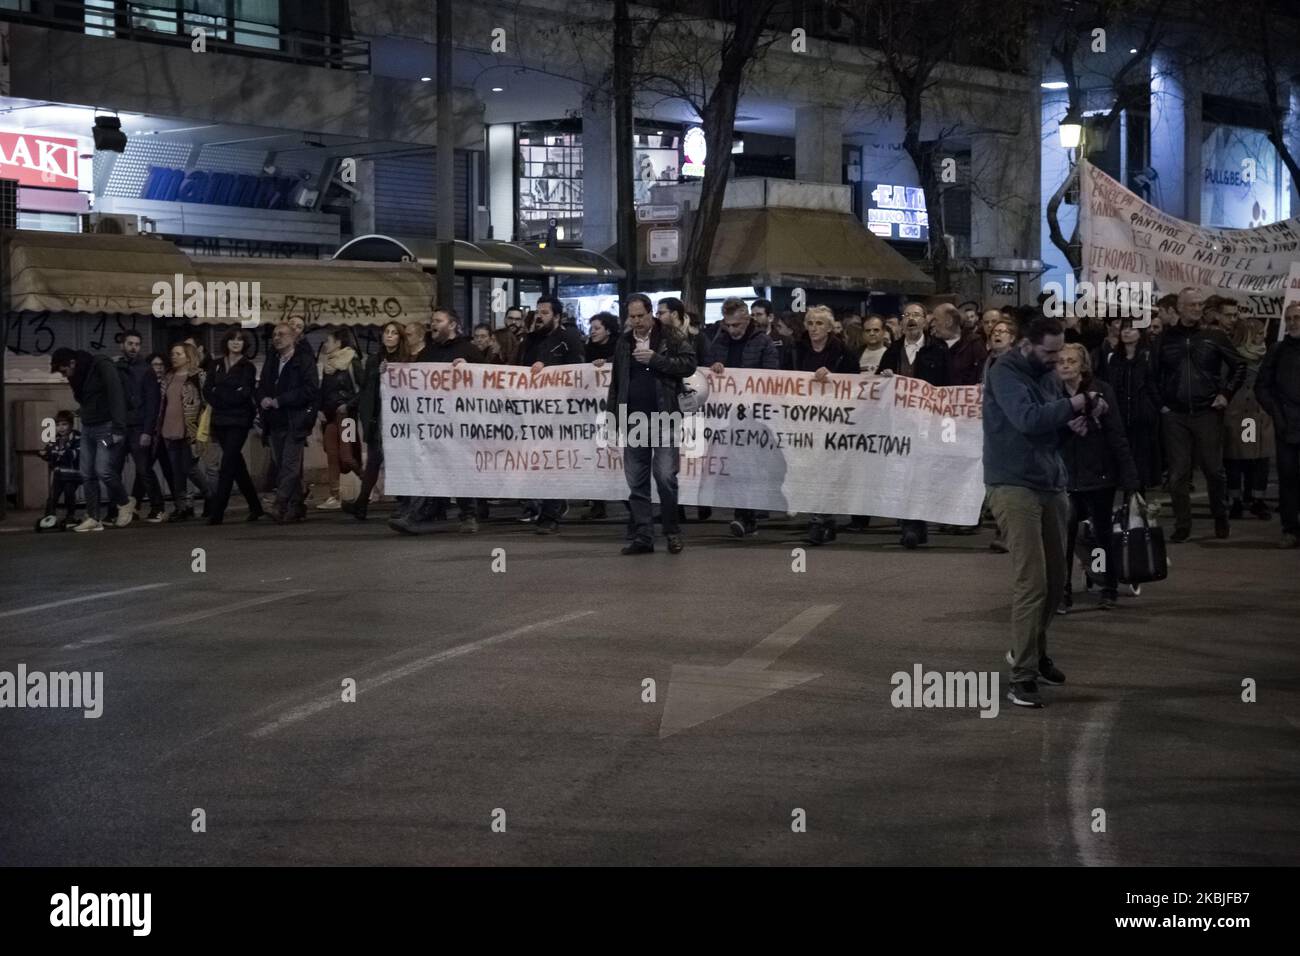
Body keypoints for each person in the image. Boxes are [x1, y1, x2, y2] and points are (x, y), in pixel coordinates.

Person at [983, 316, 1105, 708]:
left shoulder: (1047, 373)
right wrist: (1074, 403)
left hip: (1050, 482)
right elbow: (1027, 419)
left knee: (1056, 583)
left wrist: (1075, 424)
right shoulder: (1005, 372)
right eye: (1049, 352)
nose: (1056, 360)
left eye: (1060, 352)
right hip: (1013, 485)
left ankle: (1033, 653)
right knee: (1032, 583)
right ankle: (1021, 677)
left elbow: (1049, 427)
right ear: (1026, 344)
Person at [604, 293, 697, 554]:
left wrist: (656, 359)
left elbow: (689, 365)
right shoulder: (623, 342)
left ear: (650, 313)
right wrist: (612, 419)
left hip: (664, 417)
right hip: (633, 420)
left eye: (640, 316)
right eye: (631, 317)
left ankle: (672, 531)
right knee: (636, 480)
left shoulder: (671, 336)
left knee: (666, 477)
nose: (636, 321)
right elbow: (616, 383)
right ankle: (644, 535)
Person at [1156, 287, 1246, 542]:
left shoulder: (1213, 336)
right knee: (1178, 473)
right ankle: (1183, 523)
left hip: (1207, 411)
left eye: (1200, 305)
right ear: (1179, 308)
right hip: (1175, 414)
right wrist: (1162, 404)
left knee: (1214, 470)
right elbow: (1152, 374)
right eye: (1192, 305)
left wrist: (1225, 394)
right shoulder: (1164, 339)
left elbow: (1239, 365)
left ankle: (1221, 515)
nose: (1197, 309)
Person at [1056, 343, 1140, 611]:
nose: (1066, 365)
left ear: (1082, 365)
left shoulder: (1102, 391)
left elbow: (1117, 435)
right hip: (1066, 475)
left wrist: (1130, 479)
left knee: (1102, 534)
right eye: (1061, 361)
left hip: (1099, 473)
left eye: (1071, 361)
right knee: (1064, 534)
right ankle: (1063, 589)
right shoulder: (1052, 394)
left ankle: (1108, 585)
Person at [389, 307, 485, 535]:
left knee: (460, 469)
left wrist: (470, 370)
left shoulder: (468, 350)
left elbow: (487, 382)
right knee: (429, 468)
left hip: (461, 424)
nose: (433, 324)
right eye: (432, 320)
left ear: (452, 325)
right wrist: (389, 374)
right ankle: (413, 516)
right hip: (433, 425)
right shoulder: (428, 353)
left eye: (438, 321)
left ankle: (469, 515)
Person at [706, 297, 780, 537]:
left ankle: (748, 514)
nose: (732, 330)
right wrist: (714, 367)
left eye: (736, 325)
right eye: (728, 325)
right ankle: (744, 515)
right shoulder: (720, 340)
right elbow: (707, 369)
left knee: (750, 465)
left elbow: (771, 377)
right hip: (728, 416)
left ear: (747, 319)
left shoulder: (763, 342)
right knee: (736, 465)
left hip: (754, 416)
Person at [879, 301, 950, 548]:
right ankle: (908, 524)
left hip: (927, 422)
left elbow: (947, 386)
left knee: (921, 474)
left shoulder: (938, 350)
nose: (911, 319)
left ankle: (918, 523)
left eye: (916, 315)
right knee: (902, 473)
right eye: (907, 315)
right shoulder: (892, 351)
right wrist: (885, 378)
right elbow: (878, 385)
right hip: (899, 423)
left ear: (925, 321)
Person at [791, 305, 858, 545]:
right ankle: (822, 520)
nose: (814, 328)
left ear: (830, 328)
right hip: (804, 419)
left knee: (827, 471)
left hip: (834, 422)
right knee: (809, 469)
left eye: (819, 323)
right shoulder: (797, 349)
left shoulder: (844, 352)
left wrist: (833, 378)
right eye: (810, 323)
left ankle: (822, 520)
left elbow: (855, 384)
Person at [520, 295, 586, 534]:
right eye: (538, 312)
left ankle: (551, 514)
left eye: (545, 313)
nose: (539, 316)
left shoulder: (569, 338)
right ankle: (547, 506)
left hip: (561, 414)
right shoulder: (532, 340)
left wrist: (548, 371)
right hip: (535, 413)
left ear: (557, 316)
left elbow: (577, 372)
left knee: (553, 462)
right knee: (539, 462)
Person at [50, 347, 134, 532]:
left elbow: (116, 394)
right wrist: (82, 412)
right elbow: (89, 399)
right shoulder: (77, 376)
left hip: (107, 430)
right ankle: (93, 517)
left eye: (64, 371)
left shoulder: (101, 365)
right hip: (88, 427)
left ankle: (125, 503)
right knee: (86, 473)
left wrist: (119, 428)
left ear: (72, 363)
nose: (65, 376)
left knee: (103, 470)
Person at [257, 323, 320, 524]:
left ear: (293, 337)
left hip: (296, 420)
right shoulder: (272, 360)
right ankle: (297, 505)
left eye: (282, 334)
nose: (277, 338)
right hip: (275, 421)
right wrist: (263, 398)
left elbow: (310, 389)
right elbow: (263, 385)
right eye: (275, 334)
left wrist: (281, 400)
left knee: (289, 465)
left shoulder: (303, 361)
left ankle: (280, 504)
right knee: (282, 463)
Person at [350, 320, 412, 520]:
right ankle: (362, 502)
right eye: (387, 332)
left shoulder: (407, 360)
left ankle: (404, 503)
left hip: (401, 420)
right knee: (374, 461)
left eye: (394, 332)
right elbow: (368, 388)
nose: (389, 336)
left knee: (398, 462)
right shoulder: (374, 360)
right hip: (379, 418)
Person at [203, 328, 264, 525]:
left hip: (239, 420)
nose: (236, 343)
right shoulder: (217, 364)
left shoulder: (248, 366)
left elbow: (244, 393)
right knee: (237, 465)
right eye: (232, 340)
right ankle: (255, 506)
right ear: (226, 343)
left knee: (228, 463)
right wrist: (225, 395)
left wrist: (221, 394)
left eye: (240, 340)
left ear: (244, 344)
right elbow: (207, 390)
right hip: (220, 420)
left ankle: (217, 511)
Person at [1096, 320, 1163, 491]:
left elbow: (1154, 384)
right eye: (1124, 329)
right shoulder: (1113, 358)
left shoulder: (1149, 356)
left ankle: (1137, 502)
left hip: (1142, 416)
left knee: (1140, 462)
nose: (1126, 332)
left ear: (1140, 333)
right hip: (1119, 414)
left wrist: (1158, 407)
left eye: (1131, 329)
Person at [1256, 302, 1300, 548]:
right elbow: (1262, 386)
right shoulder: (1278, 350)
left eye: (1298, 318)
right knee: (1288, 478)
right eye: (1290, 318)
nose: (1293, 322)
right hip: (1287, 426)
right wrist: (1276, 412)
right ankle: (1290, 529)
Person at [1223, 317, 1274, 521]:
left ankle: (1254, 498)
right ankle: (1241, 499)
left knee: (1259, 457)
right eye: (1260, 333)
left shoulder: (1267, 355)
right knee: (1243, 457)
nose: (1264, 336)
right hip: (1245, 415)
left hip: (1260, 413)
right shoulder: (1235, 356)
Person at [114, 330, 164, 523]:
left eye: (137, 344)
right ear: (122, 345)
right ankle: (118, 509)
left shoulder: (146, 370)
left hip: (138, 427)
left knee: (144, 470)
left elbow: (153, 402)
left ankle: (157, 507)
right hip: (120, 426)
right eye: (130, 343)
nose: (134, 347)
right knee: (113, 470)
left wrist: (147, 431)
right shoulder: (116, 367)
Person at [158, 342, 210, 522]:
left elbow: (206, 402)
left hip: (190, 429)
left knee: (190, 468)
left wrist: (203, 428)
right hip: (169, 428)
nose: (174, 357)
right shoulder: (168, 377)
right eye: (172, 353)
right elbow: (163, 403)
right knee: (176, 470)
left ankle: (209, 496)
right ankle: (183, 506)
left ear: (188, 357)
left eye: (178, 354)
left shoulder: (198, 376)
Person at [316, 328, 363, 511]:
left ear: (338, 343)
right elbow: (323, 390)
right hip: (329, 417)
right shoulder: (326, 364)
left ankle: (367, 482)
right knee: (332, 456)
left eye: (328, 340)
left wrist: (349, 405)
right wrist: (319, 409)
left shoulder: (352, 361)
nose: (325, 344)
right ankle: (334, 496)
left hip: (347, 416)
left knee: (347, 456)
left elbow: (362, 389)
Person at [38, 410, 82, 527]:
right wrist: (45, 454)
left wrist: (59, 454)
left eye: (64, 424)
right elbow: (49, 452)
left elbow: (75, 454)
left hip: (73, 474)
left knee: (69, 493)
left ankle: (70, 516)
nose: (61, 428)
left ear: (71, 425)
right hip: (58, 474)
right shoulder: (54, 438)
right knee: (53, 495)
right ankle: (49, 516)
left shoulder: (77, 437)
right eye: (58, 425)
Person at [933, 302, 987, 387]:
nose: (933, 324)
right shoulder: (931, 346)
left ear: (949, 322)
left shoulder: (974, 344)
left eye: (936, 320)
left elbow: (982, 375)